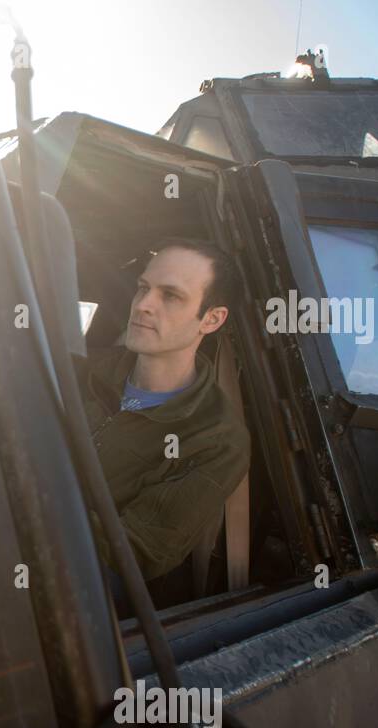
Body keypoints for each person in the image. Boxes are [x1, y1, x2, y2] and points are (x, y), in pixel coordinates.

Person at [83, 237, 251, 613]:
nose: (143, 305)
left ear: (211, 318)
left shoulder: (216, 440)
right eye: (143, 288)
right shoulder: (80, 372)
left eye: (170, 296)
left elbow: (130, 554)